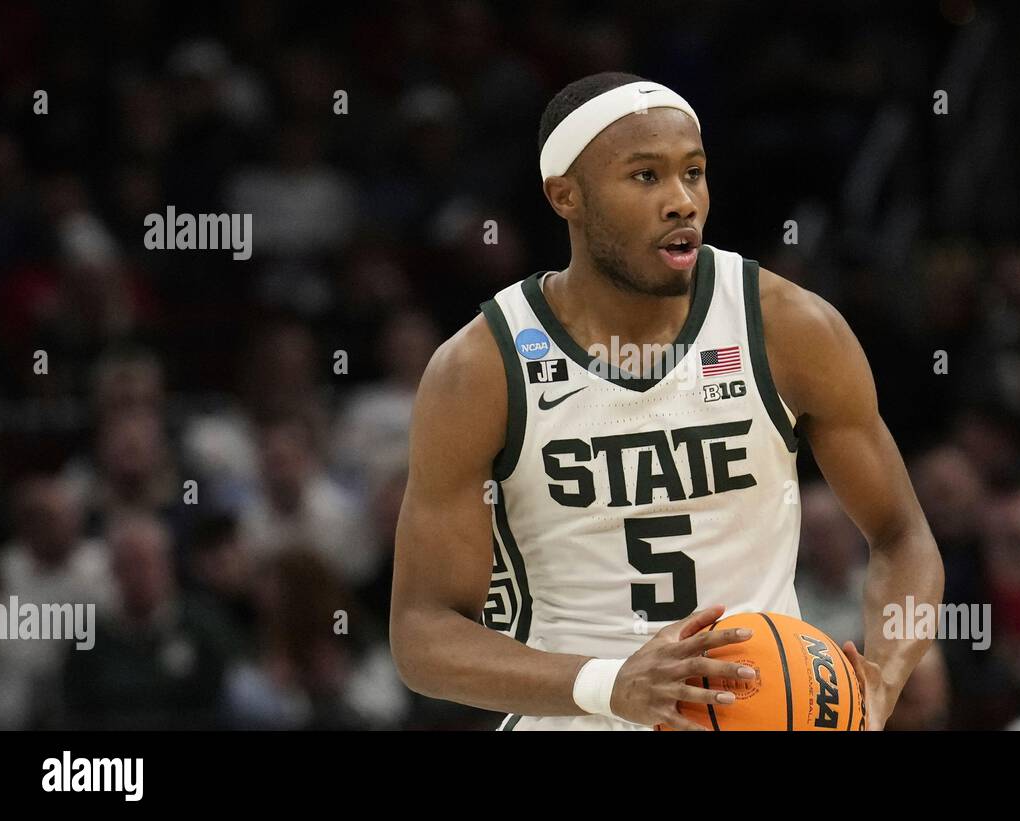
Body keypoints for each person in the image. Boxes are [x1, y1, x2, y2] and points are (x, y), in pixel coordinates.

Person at [390, 72, 943, 731]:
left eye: (693, 172)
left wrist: (880, 679)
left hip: (762, 711)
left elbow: (904, 534)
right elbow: (423, 633)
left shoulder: (789, 328)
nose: (682, 200)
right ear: (566, 195)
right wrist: (611, 684)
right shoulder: (481, 367)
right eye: (645, 176)